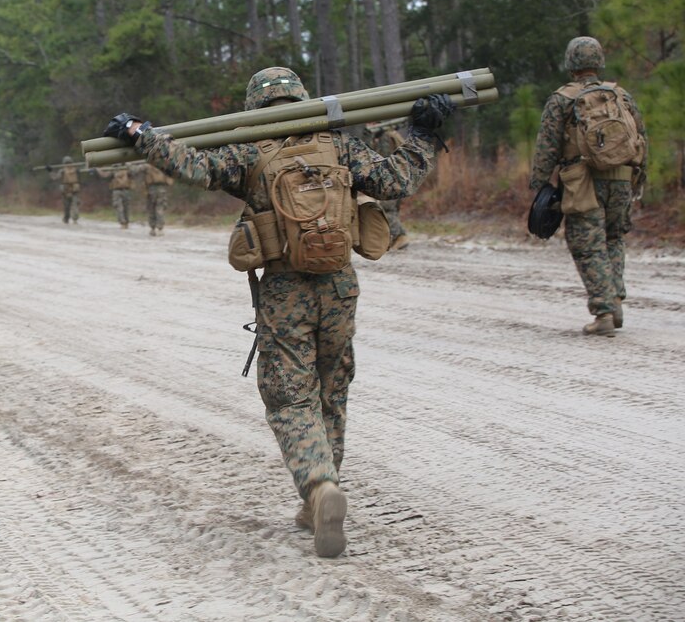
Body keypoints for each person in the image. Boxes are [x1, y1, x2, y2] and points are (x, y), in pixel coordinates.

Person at [103, 66, 455, 558]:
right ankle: (319, 498)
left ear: (255, 106)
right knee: (332, 388)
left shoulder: (250, 151)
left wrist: (141, 134)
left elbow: (193, 166)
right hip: (339, 287)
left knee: (291, 397)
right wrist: (424, 133)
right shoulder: (339, 146)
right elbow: (398, 179)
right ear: (301, 97)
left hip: (285, 290)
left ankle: (319, 486)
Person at [530, 36, 647, 337]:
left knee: (586, 244)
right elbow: (640, 137)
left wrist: (539, 184)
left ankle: (604, 312)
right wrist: (638, 176)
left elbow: (547, 146)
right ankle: (615, 299)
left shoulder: (562, 99)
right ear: (599, 61)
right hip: (622, 177)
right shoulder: (621, 95)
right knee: (613, 238)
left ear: (571, 64)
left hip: (583, 181)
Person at [363, 123, 410, 250]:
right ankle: (394, 238)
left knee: (387, 209)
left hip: (391, 179)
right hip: (398, 178)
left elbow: (383, 159)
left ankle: (400, 236)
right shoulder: (392, 135)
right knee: (392, 209)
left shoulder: (385, 137)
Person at [97, 163, 143, 229]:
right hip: (116, 190)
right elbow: (105, 175)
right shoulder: (114, 167)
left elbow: (135, 171)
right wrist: (98, 169)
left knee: (126, 207)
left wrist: (129, 166)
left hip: (126, 189)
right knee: (118, 206)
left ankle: (126, 222)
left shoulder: (127, 166)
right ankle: (122, 222)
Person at [49, 156, 82, 224]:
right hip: (66, 191)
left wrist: (50, 171)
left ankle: (73, 219)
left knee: (74, 205)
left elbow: (55, 178)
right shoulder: (63, 171)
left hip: (73, 190)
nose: (68, 164)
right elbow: (55, 177)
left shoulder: (74, 170)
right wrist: (50, 171)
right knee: (68, 206)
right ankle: (67, 219)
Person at [144, 164, 174, 236]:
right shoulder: (165, 166)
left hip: (152, 189)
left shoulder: (149, 167)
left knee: (152, 209)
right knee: (160, 208)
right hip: (161, 189)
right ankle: (159, 228)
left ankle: (153, 228)